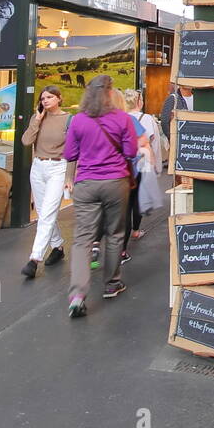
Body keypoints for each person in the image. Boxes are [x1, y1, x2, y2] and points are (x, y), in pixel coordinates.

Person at [62, 74, 139, 318]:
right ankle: (112, 283)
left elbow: (70, 153)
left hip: (86, 183)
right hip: (115, 181)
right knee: (115, 233)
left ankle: (77, 295)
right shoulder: (122, 118)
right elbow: (131, 151)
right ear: (109, 93)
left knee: (83, 239)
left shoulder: (77, 120)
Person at [19, 85, 69, 279]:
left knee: (47, 212)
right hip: (38, 166)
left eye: (49, 97)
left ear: (59, 98)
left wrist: (70, 176)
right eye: (42, 98)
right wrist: (37, 121)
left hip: (58, 167)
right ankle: (57, 246)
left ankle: (34, 259)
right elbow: (25, 141)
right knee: (42, 212)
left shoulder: (68, 119)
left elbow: (74, 149)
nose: (45, 101)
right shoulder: (37, 118)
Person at [120, 89, 158, 259]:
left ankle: (113, 244)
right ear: (139, 102)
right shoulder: (146, 119)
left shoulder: (119, 118)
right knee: (135, 200)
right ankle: (134, 231)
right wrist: (155, 163)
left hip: (120, 166)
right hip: (139, 163)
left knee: (123, 205)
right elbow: (150, 141)